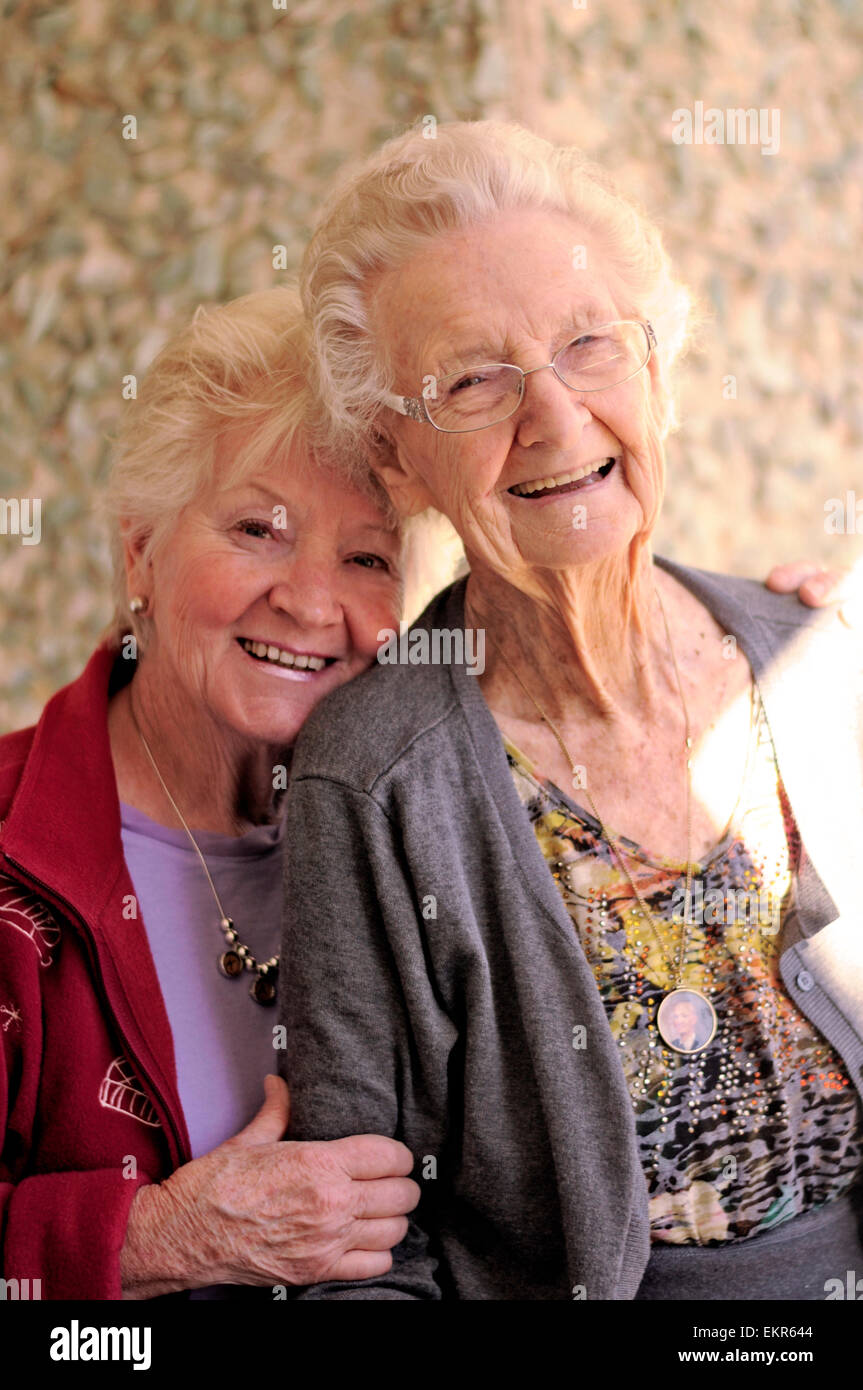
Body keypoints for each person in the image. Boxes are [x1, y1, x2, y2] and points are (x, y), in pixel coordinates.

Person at [279, 121, 863, 1300]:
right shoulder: (371, 779)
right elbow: (358, 1257)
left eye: (586, 344)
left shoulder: (816, 659)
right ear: (396, 458)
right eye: (473, 379)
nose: (552, 417)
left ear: (654, 373)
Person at [0, 287, 422, 1300]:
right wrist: (156, 1237)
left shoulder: (429, 831)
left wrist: (759, 637)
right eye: (256, 529)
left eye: (366, 556)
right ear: (140, 549)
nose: (312, 600)